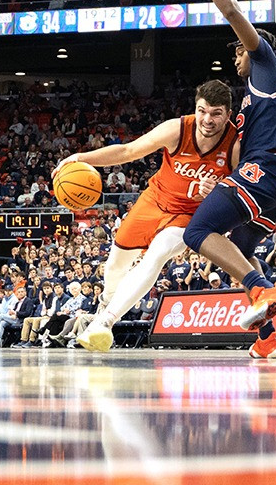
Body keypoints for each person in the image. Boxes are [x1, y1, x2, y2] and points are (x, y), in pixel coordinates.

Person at [174, 0, 276, 360]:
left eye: (238, 52)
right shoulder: (257, 94)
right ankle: (269, 338)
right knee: (239, 255)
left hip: (269, 171)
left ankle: (267, 290)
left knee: (197, 232)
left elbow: (230, 11)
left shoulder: (267, 65)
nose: (235, 58)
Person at [60, 80, 240, 352]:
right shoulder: (177, 129)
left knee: (156, 256)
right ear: (195, 108)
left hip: (188, 214)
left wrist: (220, 191)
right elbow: (128, 151)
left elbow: (242, 191)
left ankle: (105, 323)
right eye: (202, 110)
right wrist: (81, 158)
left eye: (216, 113)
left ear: (228, 114)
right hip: (154, 199)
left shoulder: (236, 145)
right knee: (115, 266)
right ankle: (107, 303)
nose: (208, 119)